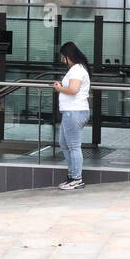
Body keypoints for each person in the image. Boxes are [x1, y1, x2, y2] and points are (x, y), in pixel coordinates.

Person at [51, 42, 91, 190]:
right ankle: (72, 175)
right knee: (64, 144)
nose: (62, 60)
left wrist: (59, 88)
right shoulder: (77, 69)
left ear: (69, 56)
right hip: (71, 112)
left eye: (63, 56)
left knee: (73, 146)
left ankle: (77, 178)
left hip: (74, 112)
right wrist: (61, 86)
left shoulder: (76, 70)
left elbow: (73, 89)